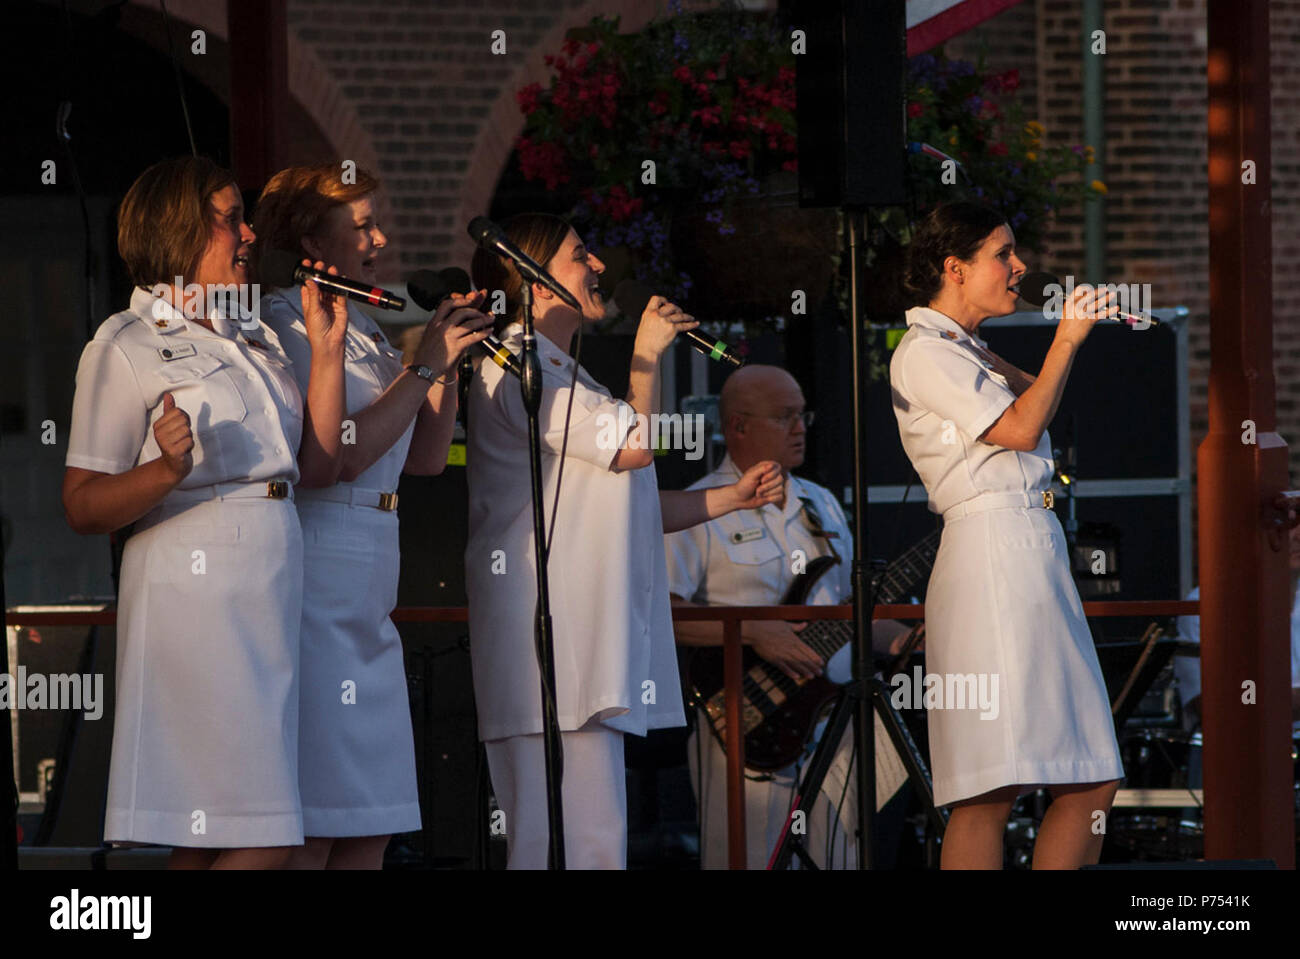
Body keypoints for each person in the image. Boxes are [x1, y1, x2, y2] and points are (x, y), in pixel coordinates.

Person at [466, 212, 785, 868]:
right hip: (545, 637)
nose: (599, 266)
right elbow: (638, 446)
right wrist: (646, 355)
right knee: (550, 841)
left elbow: (635, 498)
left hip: (583, 636)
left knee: (596, 840)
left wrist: (733, 495)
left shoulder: (568, 374)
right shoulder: (515, 364)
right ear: (535, 280)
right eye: (581, 254)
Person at [62, 156, 348, 868]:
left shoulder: (250, 334)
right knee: (266, 833)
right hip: (197, 599)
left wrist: (329, 354)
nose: (249, 233)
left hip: (271, 591)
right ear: (179, 231)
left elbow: (314, 465)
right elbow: (82, 502)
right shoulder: (123, 343)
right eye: (230, 219)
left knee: (215, 830)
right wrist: (164, 468)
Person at [255, 164, 494, 869]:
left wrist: (443, 364)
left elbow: (422, 457)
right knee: (321, 817)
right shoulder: (284, 320)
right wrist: (422, 366)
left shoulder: (361, 323)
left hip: (373, 570)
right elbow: (341, 453)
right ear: (307, 234)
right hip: (323, 563)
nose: (379, 239)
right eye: (360, 226)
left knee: (373, 818)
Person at [889, 201, 1124, 869]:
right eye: (1003, 253)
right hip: (992, 552)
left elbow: (1035, 404)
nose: (1019, 266)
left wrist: (1056, 339)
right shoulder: (924, 353)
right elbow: (1020, 428)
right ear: (953, 268)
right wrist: (1067, 338)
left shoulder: (961, 347)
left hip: (1029, 549)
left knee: (1090, 773)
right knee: (990, 785)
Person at [665, 364, 913, 869]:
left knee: (840, 859)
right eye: (784, 417)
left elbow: (848, 616)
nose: (800, 428)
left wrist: (915, 638)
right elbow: (658, 613)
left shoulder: (820, 503)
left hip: (834, 718)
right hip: (744, 719)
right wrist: (754, 631)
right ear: (737, 426)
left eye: (803, 415)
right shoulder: (699, 510)